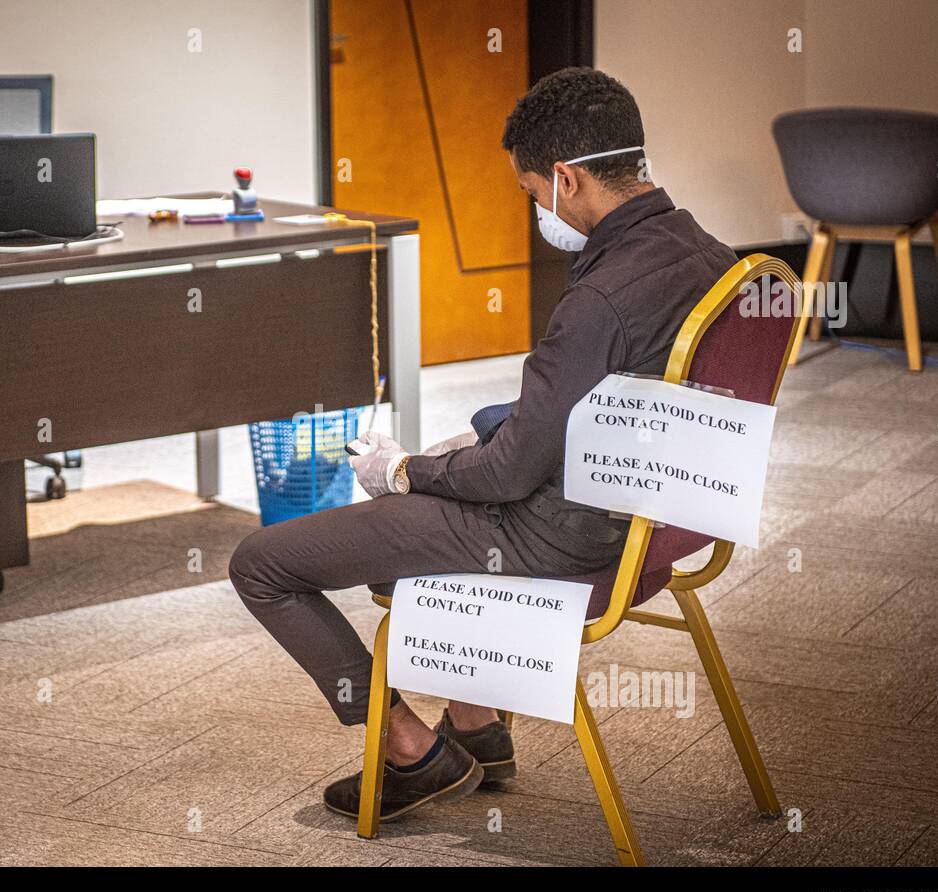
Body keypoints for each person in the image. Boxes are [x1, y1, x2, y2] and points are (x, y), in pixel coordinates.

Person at [229, 67, 737, 823]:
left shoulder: (598, 298)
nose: (536, 209)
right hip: (655, 522)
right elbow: (597, 398)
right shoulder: (714, 257)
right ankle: (477, 727)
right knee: (425, 507)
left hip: (561, 536)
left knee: (262, 564)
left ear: (566, 177)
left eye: (531, 192)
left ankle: (410, 751)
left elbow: (507, 475)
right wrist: (484, 430)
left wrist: (406, 470)